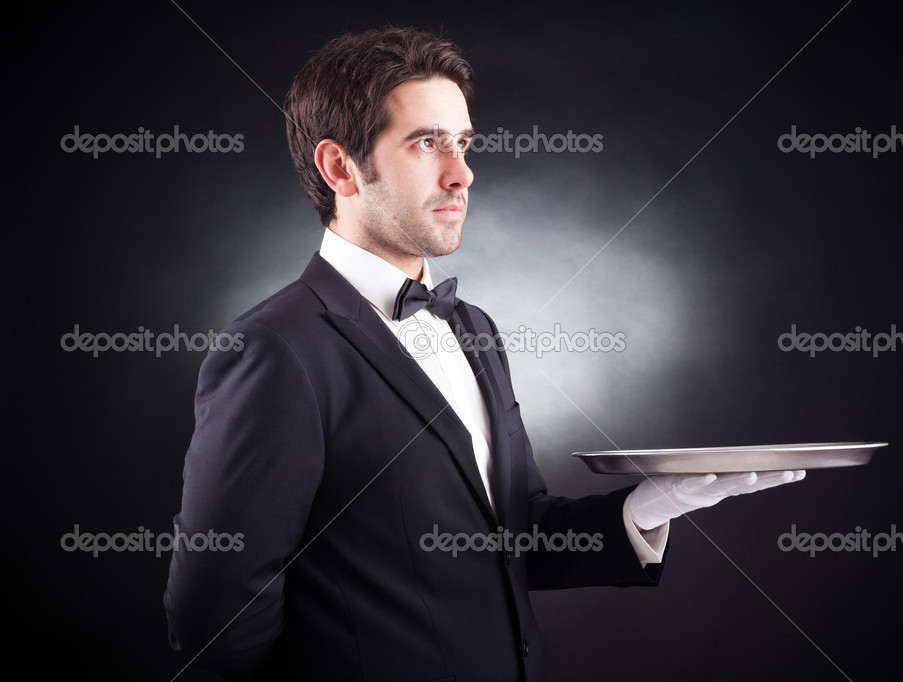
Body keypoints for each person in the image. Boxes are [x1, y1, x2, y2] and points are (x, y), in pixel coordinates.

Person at [163, 26, 805, 681]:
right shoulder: (274, 349)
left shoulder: (474, 329)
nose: (462, 172)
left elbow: (515, 536)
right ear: (340, 167)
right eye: (426, 143)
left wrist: (647, 507)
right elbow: (213, 619)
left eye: (463, 143)